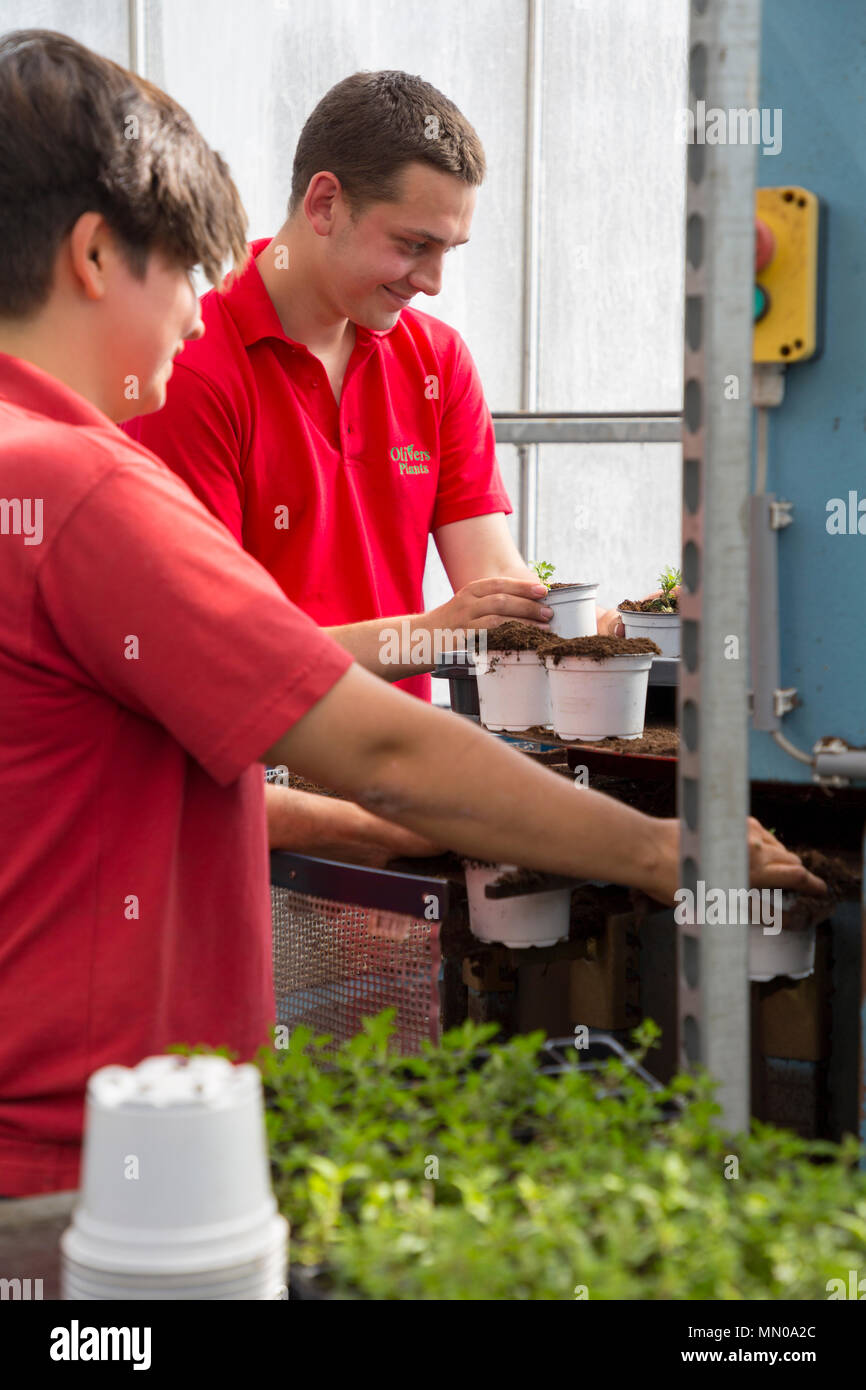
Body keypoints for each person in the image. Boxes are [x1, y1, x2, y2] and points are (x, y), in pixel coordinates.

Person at [0, 31, 824, 1197]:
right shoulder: (80, 488)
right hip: (82, 1141)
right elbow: (373, 746)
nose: (193, 314)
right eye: (181, 269)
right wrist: (659, 851)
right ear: (93, 255)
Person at [123, 70, 626, 845]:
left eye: (449, 250)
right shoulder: (191, 367)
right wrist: (429, 635)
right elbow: (214, 664)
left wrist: (593, 630)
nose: (431, 281)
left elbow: (492, 587)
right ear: (324, 204)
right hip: (254, 817)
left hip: (391, 793)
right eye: (412, 245)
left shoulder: (437, 362)